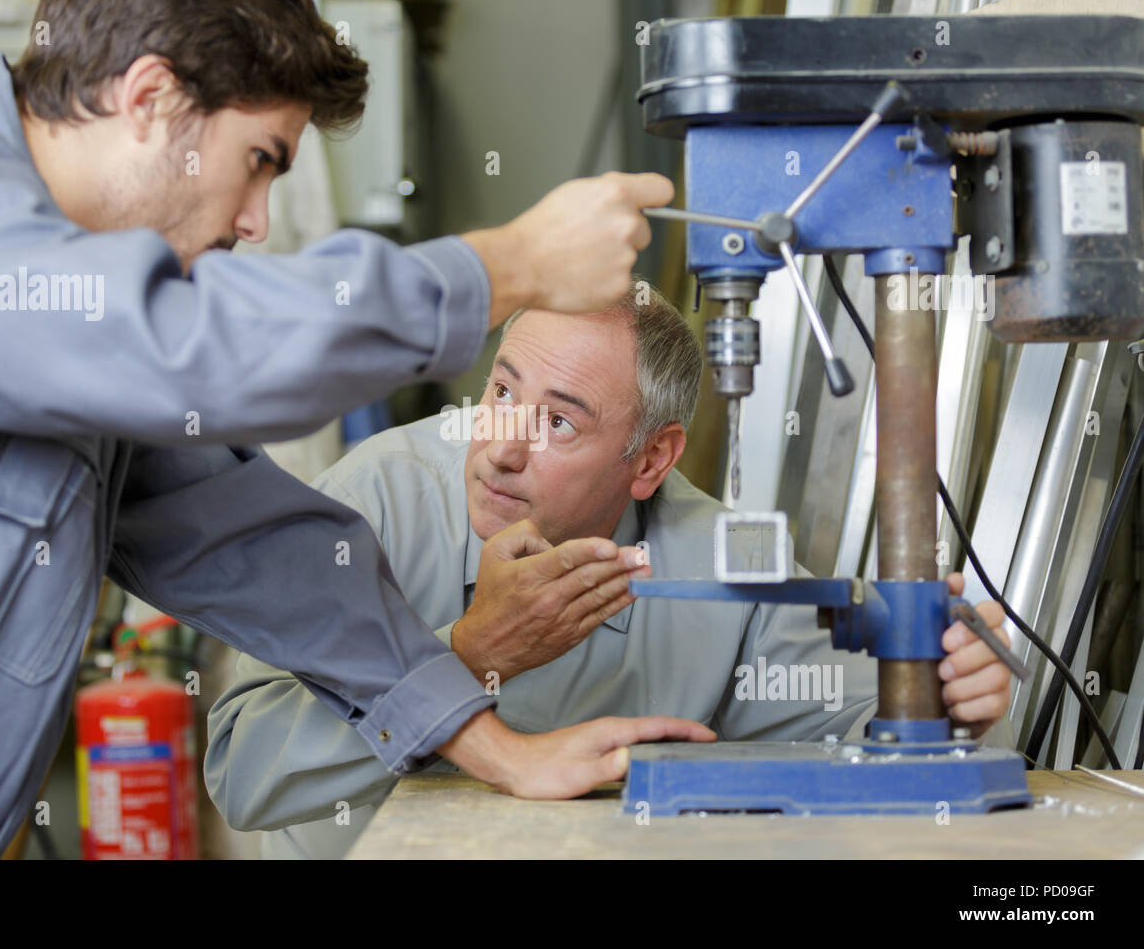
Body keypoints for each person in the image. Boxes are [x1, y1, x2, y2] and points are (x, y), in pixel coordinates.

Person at [0, 0, 713, 859]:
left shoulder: (89, 324)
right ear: (148, 100)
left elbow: (257, 551)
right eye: (259, 159)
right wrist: (513, 265)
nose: (256, 220)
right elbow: (201, 345)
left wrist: (499, 751)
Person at [205, 282, 1013, 858]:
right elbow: (242, 774)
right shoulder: (372, 504)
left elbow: (853, 726)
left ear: (651, 459)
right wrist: (469, 654)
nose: (501, 446)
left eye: (558, 421)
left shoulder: (715, 566)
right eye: (501, 389)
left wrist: (942, 693)